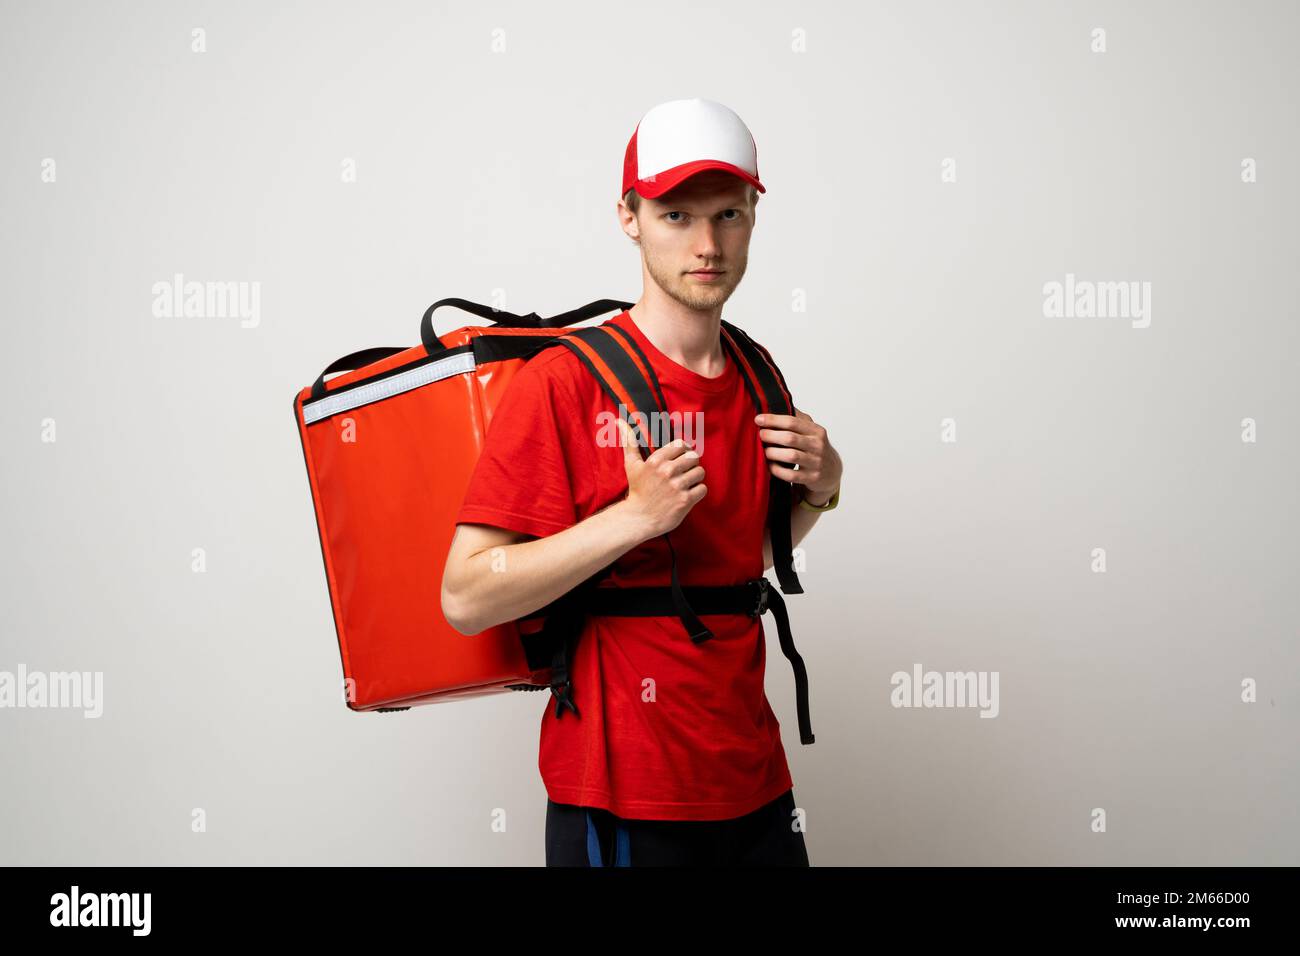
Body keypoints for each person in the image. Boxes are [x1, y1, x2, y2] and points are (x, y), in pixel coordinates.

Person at [441, 98, 843, 866]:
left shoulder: (759, 375)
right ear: (628, 217)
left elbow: (731, 562)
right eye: (674, 216)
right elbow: (463, 595)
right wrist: (633, 518)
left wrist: (824, 490)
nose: (706, 243)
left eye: (727, 214)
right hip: (623, 796)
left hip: (755, 783)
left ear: (754, 214)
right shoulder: (566, 382)